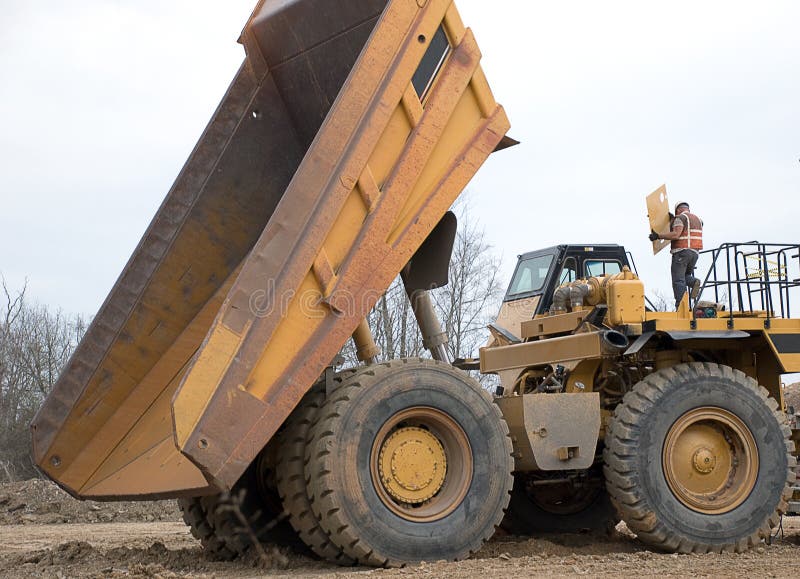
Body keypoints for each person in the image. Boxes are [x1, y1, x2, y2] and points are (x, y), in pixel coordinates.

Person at [649, 201, 703, 308]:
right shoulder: (698, 219)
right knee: (684, 276)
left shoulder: (680, 219)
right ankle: (693, 282)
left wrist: (658, 236)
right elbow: (687, 230)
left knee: (678, 280)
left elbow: (676, 234)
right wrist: (672, 220)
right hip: (695, 254)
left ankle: (681, 307)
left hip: (681, 253)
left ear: (678, 210)